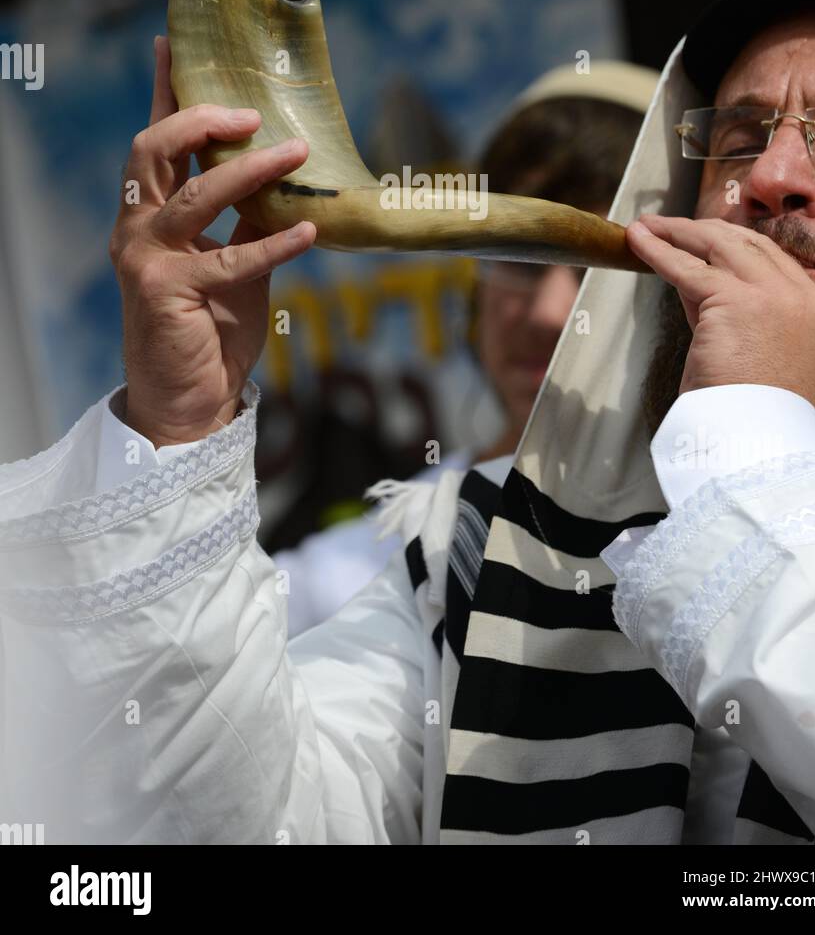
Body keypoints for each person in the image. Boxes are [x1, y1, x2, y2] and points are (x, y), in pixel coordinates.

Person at [1, 0, 815, 846]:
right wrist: (179, 425)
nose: (768, 179)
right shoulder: (482, 555)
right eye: (734, 139)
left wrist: (752, 446)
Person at [271, 61, 658, 636]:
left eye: (597, 268)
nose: (549, 312)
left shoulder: (727, 527)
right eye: (518, 256)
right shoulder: (352, 574)